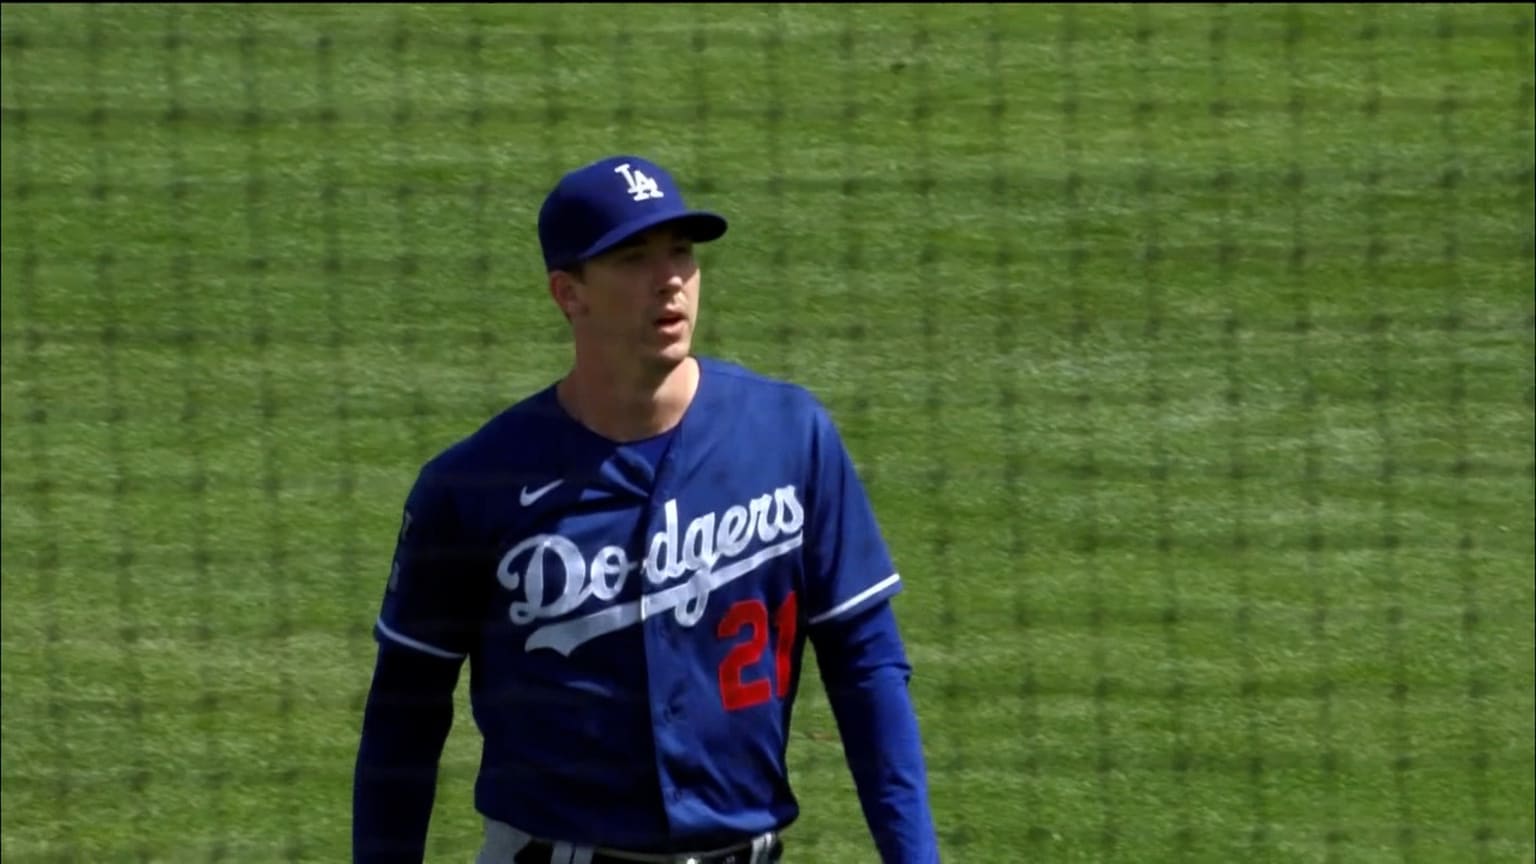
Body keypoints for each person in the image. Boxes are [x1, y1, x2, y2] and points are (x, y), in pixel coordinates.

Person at [352, 154, 941, 864]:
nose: (670, 280)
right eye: (633, 258)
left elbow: (867, 665)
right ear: (569, 293)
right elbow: (403, 722)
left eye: (682, 253)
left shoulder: (790, 437)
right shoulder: (474, 486)